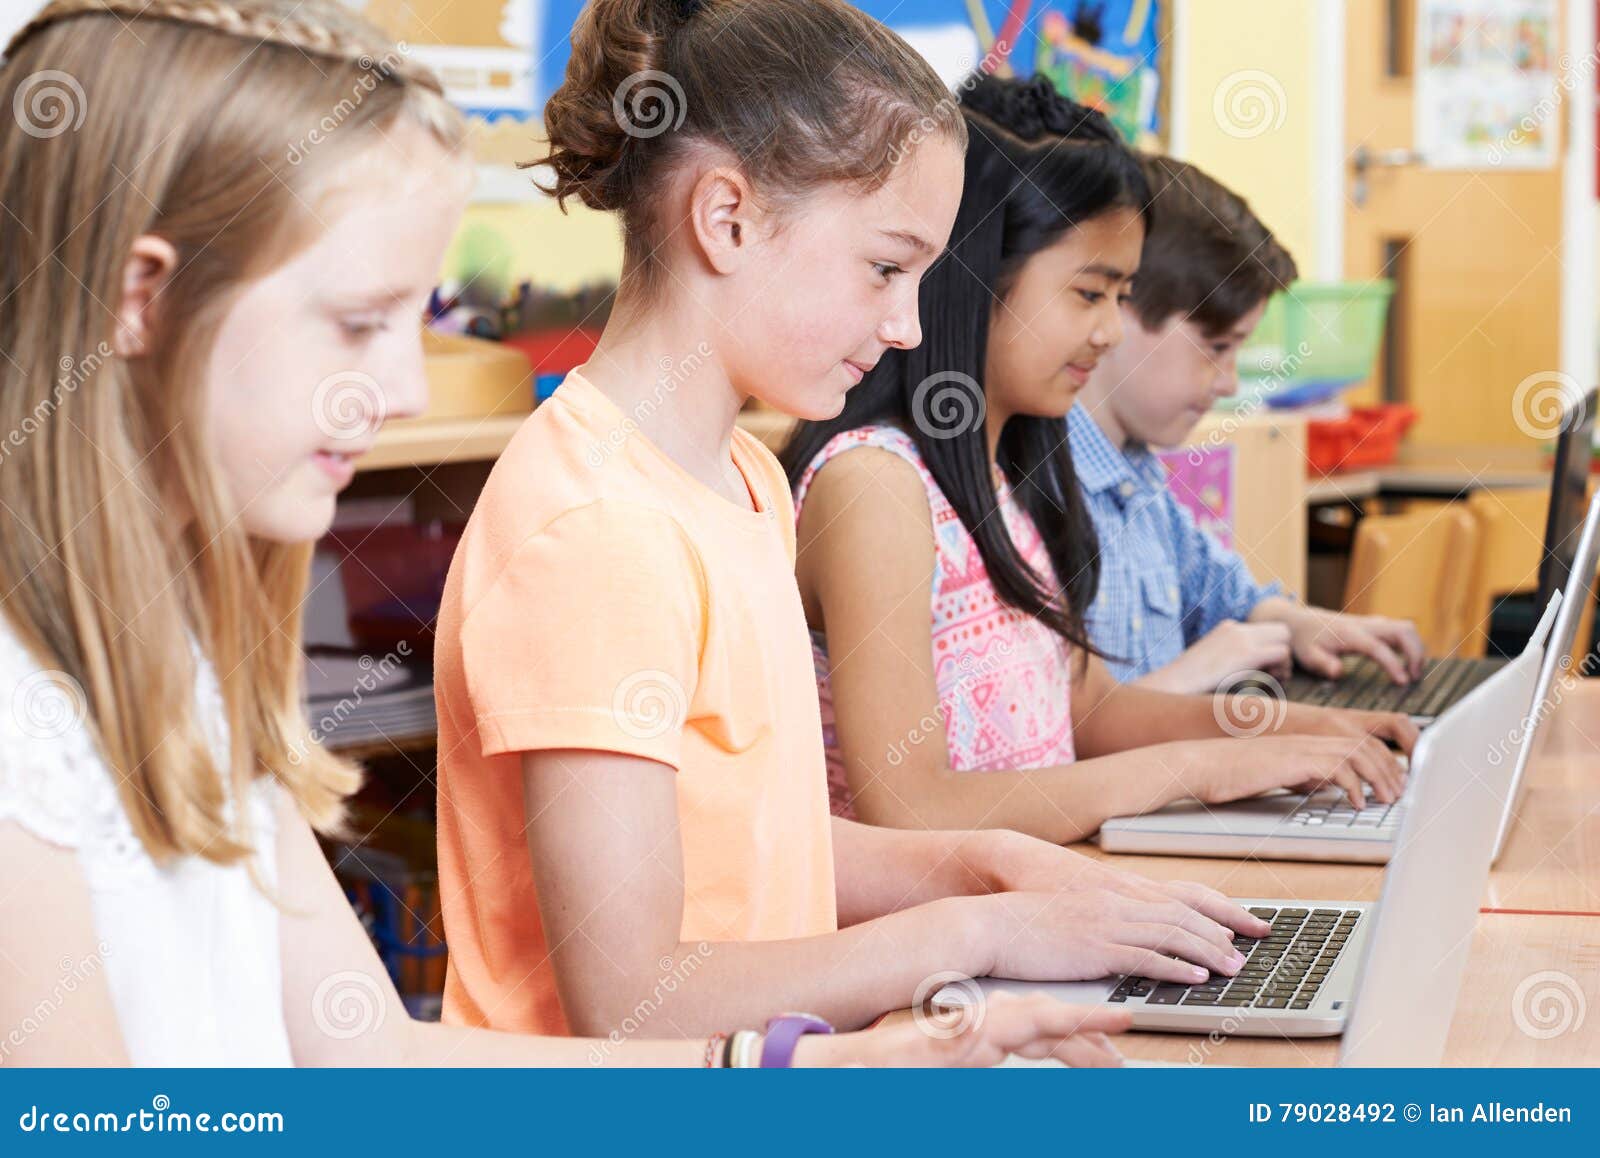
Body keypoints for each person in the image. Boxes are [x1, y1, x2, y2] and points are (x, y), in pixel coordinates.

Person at [0, 0, 1121, 1069]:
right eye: (358, 324)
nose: (401, 392)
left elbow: (368, 1058)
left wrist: (860, 1038)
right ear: (140, 301)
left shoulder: (186, 670)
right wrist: (945, 954)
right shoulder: (24, 724)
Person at [433, 0, 1269, 1043]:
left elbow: (762, 847)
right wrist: (973, 935)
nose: (910, 325)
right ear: (726, 219)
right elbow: (632, 1000)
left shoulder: (739, 474)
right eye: (885, 267)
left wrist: (992, 866)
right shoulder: (596, 532)